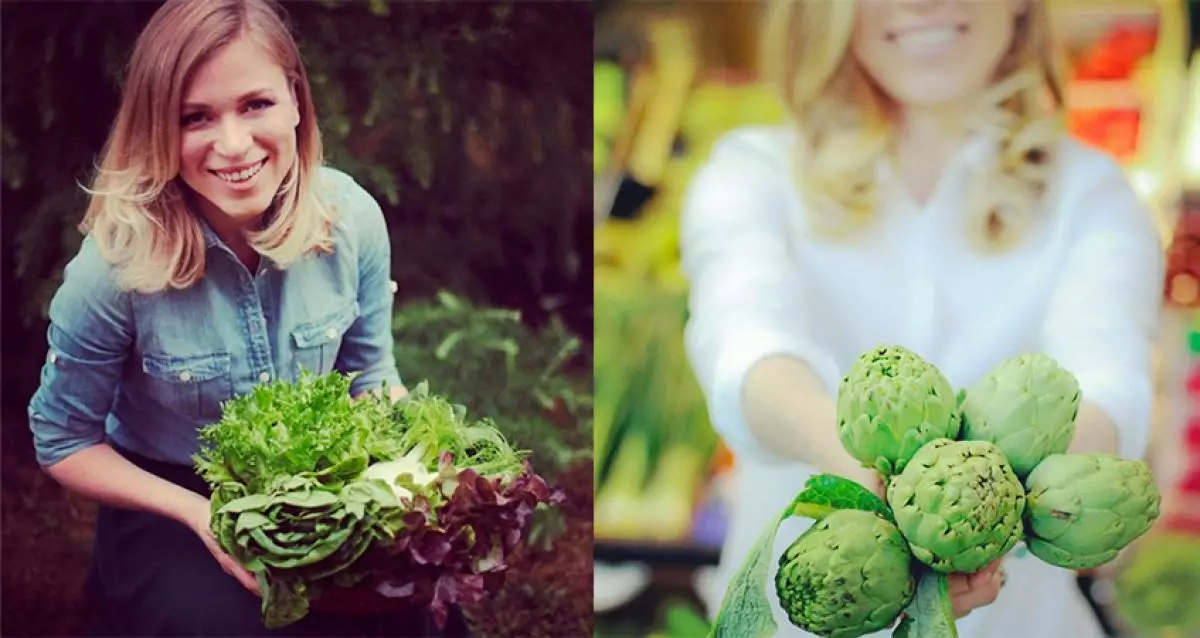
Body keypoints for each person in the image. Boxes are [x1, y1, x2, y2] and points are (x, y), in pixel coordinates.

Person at [680, 0, 1164, 636]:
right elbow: (746, 344)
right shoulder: (751, 174)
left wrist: (988, 516)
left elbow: (1110, 380)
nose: (921, 4)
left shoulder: (1095, 197)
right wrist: (864, 477)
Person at [25, 1, 468, 635]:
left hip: (319, 490)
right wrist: (197, 514)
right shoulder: (113, 270)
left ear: (295, 101)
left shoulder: (353, 219)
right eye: (195, 117)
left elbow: (370, 374)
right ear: (157, 128)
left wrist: (423, 465)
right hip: (173, 498)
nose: (233, 145)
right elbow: (64, 442)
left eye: (255, 104)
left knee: (414, 606)